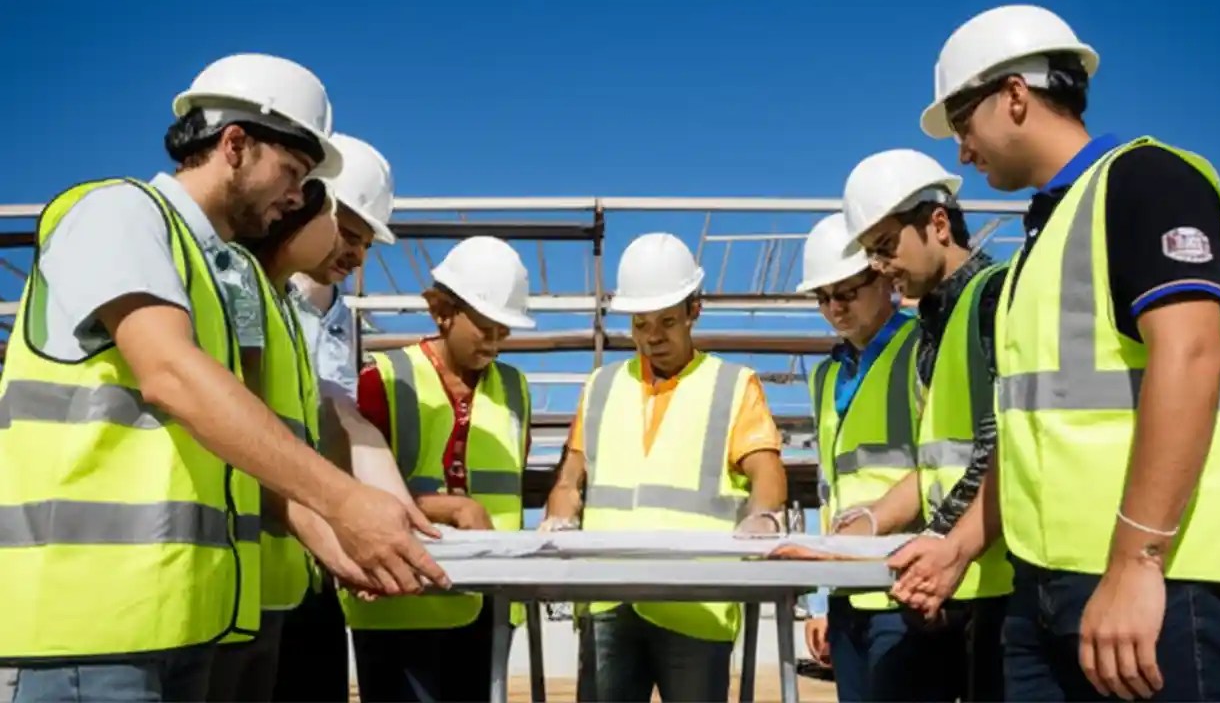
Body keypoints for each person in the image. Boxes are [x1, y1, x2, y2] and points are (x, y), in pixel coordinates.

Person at [0, 53, 447, 703]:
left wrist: (333, 537)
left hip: (183, 621)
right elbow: (171, 375)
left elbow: (244, 451)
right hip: (93, 626)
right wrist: (346, 501)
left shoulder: (214, 273)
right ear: (234, 145)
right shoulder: (119, 213)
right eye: (293, 172)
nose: (299, 198)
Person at [889, 4, 1220, 701]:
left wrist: (1137, 561)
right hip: (1046, 586)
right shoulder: (1044, 240)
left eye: (963, 122)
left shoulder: (1147, 180)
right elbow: (1029, 431)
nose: (962, 151)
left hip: (1156, 581)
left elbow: (1189, 358)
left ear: (1014, 96)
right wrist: (959, 545)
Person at [541, 232, 789, 703]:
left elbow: (768, 473)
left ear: (695, 309)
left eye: (667, 321)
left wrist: (762, 515)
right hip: (608, 599)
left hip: (695, 604)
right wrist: (560, 519)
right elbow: (569, 481)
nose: (652, 336)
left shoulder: (733, 385)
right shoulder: (601, 387)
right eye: (640, 323)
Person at [842, 148, 1013, 701]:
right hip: (955, 580)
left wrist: (940, 540)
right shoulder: (931, 327)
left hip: (1000, 582)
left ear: (938, 223)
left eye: (886, 247)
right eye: (872, 255)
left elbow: (998, 443)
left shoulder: (995, 297)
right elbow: (937, 463)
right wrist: (867, 526)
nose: (881, 267)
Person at [343, 235, 535, 703]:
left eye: (504, 332)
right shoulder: (384, 379)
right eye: (485, 327)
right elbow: (348, 492)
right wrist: (451, 508)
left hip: (486, 605)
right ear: (440, 310)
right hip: (399, 602)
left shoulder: (516, 389)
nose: (493, 343)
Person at [271, 132, 404, 703]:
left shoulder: (348, 328)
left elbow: (342, 421)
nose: (357, 256)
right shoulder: (258, 298)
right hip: (260, 563)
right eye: (349, 235)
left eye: (367, 244)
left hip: (317, 571)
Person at [208, 178, 352, 701]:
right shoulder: (245, 290)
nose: (340, 235)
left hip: (284, 579)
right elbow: (247, 429)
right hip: (244, 586)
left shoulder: (288, 308)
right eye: (331, 216)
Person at [795, 214, 932, 701]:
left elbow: (942, 464)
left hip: (907, 586)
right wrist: (819, 597)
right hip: (846, 589)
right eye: (823, 298)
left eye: (846, 292)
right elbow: (829, 490)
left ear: (883, 276)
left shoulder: (923, 345)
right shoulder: (826, 377)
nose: (834, 308)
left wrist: (874, 523)